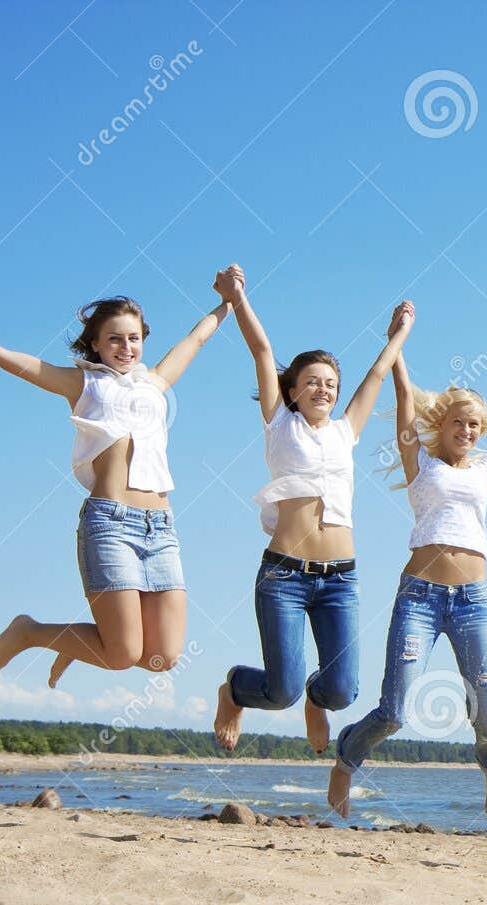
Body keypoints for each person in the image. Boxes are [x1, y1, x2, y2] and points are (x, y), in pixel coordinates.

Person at [0, 274, 237, 686]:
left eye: (134, 338)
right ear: (95, 344)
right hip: (111, 524)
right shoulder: (83, 384)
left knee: (163, 657)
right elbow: (4, 357)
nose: (126, 348)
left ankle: (77, 645)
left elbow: (196, 339)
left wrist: (229, 301)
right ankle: (31, 632)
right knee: (123, 654)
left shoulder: (155, 383)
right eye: (115, 339)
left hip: (161, 528)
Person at [329, 347, 487, 821]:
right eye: (459, 423)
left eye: (475, 427)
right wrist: (400, 348)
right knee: (395, 711)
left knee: (486, 709)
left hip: (474, 602)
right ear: (442, 423)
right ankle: (346, 760)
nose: (467, 433)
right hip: (419, 599)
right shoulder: (420, 463)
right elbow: (404, 399)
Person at [212, 263, 413, 756]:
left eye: (331, 383)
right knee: (279, 690)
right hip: (284, 576)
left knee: (343, 690)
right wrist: (238, 298)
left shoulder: (346, 432)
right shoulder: (281, 424)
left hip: (340, 579)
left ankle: (316, 701)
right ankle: (234, 688)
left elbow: (377, 374)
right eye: (313, 381)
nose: (324, 389)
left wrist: (399, 334)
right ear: (293, 389)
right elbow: (261, 350)